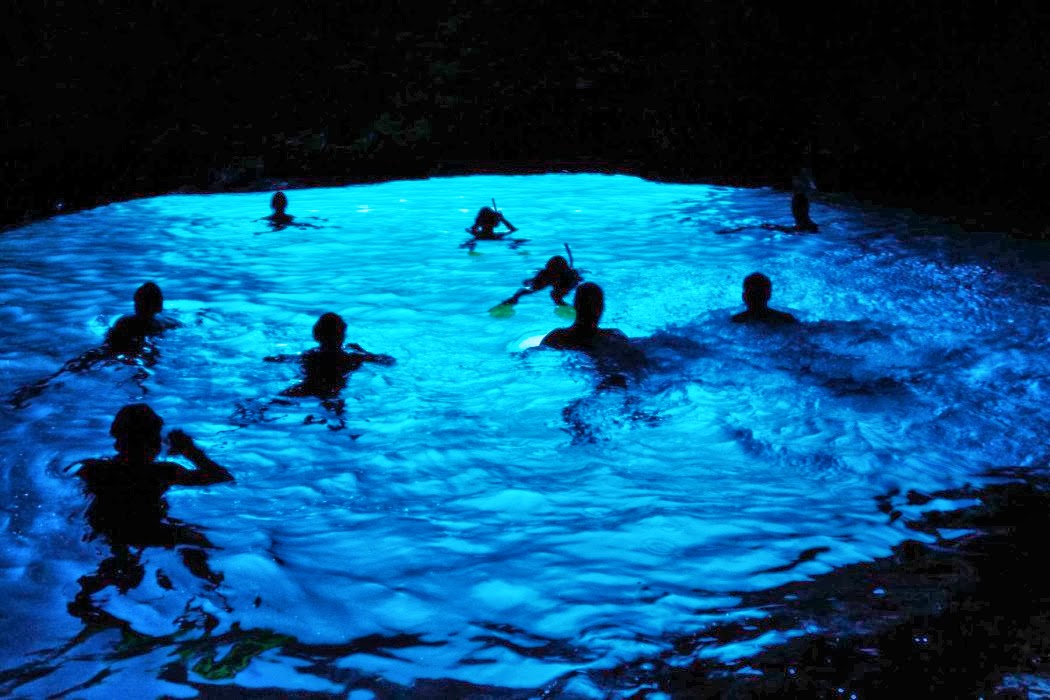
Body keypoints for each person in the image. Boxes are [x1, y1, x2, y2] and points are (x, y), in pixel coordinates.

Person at [68, 404, 233, 620]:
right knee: (196, 539)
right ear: (154, 443)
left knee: (119, 564)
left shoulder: (94, 469)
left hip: (107, 529)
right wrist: (190, 451)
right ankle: (214, 590)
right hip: (149, 530)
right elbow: (221, 477)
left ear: (118, 439)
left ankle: (97, 593)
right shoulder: (163, 473)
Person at [270, 312, 395, 400]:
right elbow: (388, 361)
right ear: (342, 336)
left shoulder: (310, 355)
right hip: (332, 393)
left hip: (307, 387)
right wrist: (365, 352)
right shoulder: (352, 357)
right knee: (338, 423)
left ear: (316, 335)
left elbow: (289, 359)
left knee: (275, 401)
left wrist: (276, 358)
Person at [103, 281, 179, 353]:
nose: (139, 306)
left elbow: (108, 344)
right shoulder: (168, 323)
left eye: (143, 304)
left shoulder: (124, 323)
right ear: (159, 306)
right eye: (139, 303)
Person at [501, 255, 582, 307]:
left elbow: (576, 288)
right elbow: (529, 289)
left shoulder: (571, 278)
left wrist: (560, 301)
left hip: (566, 281)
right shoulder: (545, 275)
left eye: (554, 272)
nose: (552, 274)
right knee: (533, 286)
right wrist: (516, 296)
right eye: (550, 271)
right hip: (549, 279)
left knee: (558, 295)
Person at [731, 272, 799, 324]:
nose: (756, 298)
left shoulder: (736, 321)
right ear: (769, 295)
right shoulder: (784, 319)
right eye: (753, 294)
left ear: (744, 297)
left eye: (759, 294)